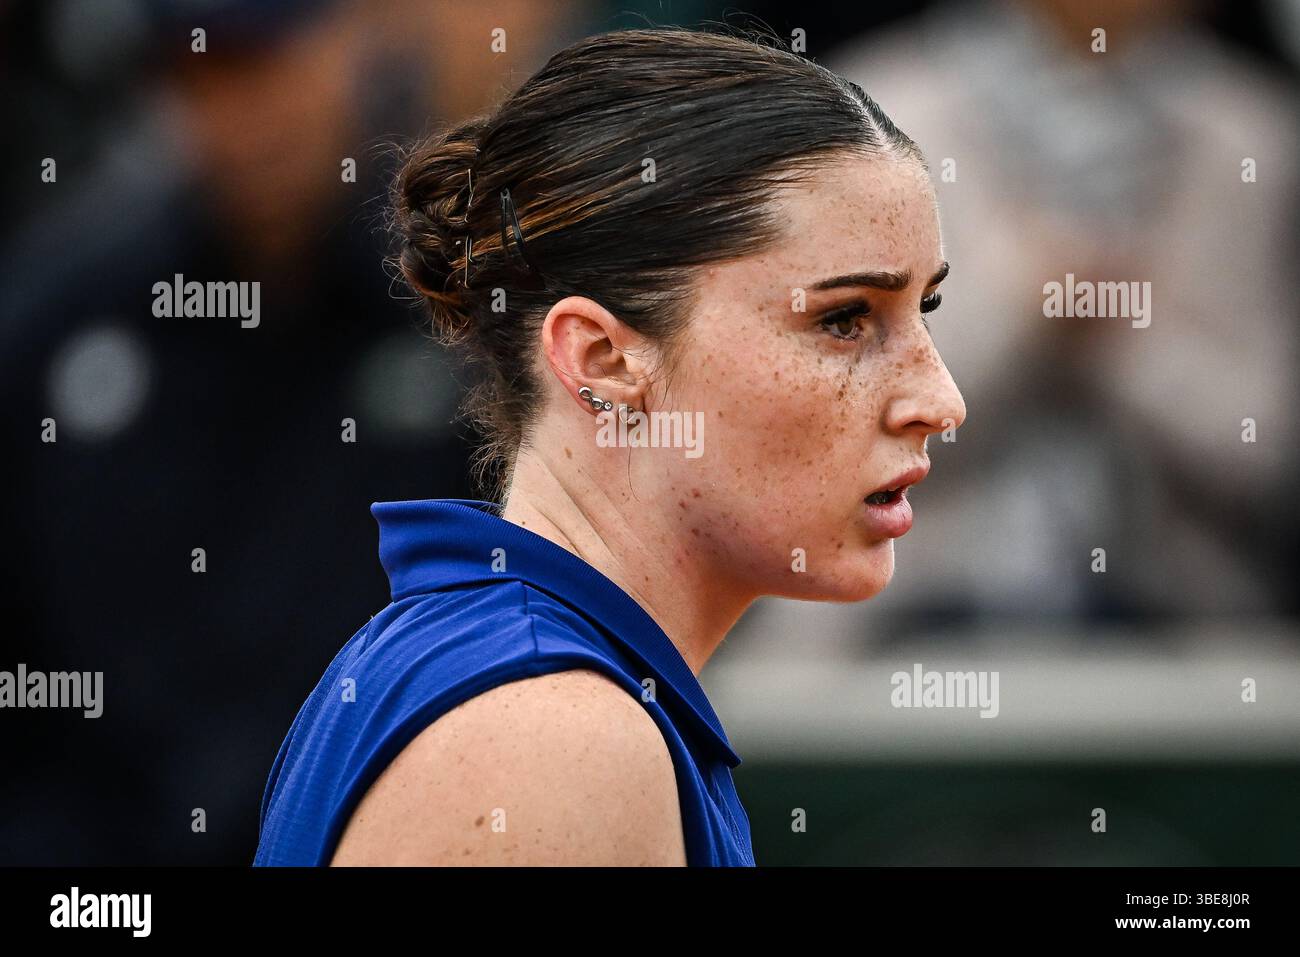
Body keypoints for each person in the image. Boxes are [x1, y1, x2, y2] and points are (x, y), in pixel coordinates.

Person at [253, 24, 966, 867]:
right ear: (603, 359)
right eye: (844, 319)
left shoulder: (514, 682)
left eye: (925, 310)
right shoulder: (551, 733)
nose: (939, 399)